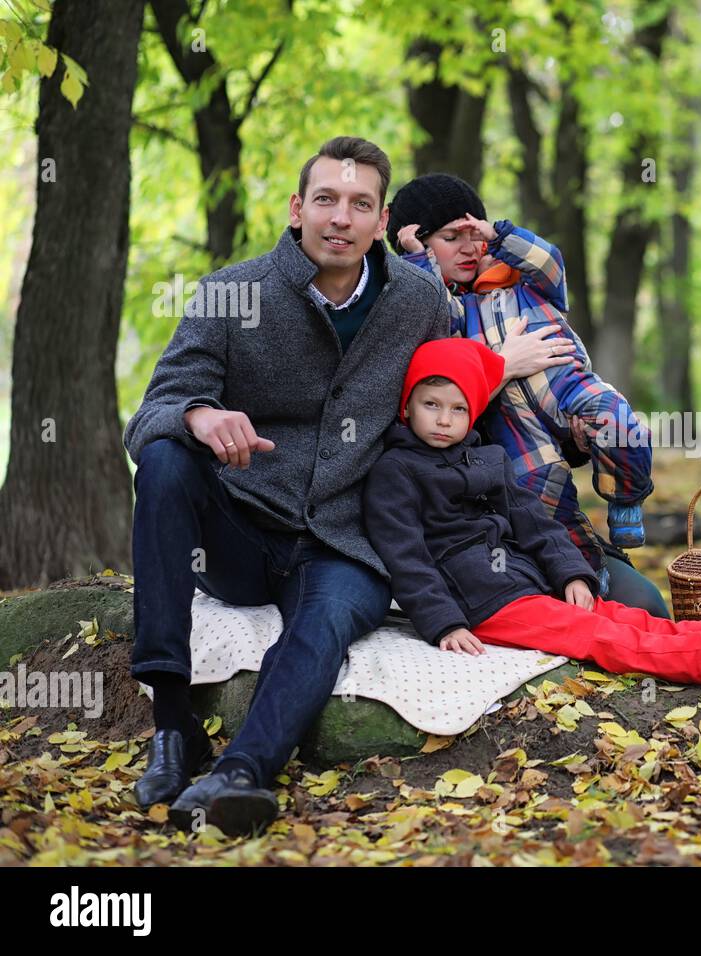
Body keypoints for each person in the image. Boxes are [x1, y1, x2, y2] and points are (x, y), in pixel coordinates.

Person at [122, 137, 578, 838]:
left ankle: (242, 772)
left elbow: (450, 405)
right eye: (326, 200)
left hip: (347, 540)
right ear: (299, 208)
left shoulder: (421, 300)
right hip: (241, 526)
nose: (341, 217)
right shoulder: (229, 291)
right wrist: (201, 414)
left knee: (324, 625)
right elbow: (152, 411)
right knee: (163, 458)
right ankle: (173, 726)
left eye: (359, 204)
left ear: (381, 218)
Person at [362, 338, 701, 693]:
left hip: (528, 581)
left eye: (457, 409)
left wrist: (571, 575)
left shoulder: (488, 458)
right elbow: (407, 559)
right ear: (407, 407)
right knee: (596, 635)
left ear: (473, 412)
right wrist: (444, 624)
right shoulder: (394, 472)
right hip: (480, 601)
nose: (443, 419)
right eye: (431, 404)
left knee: (620, 616)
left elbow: (535, 521)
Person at [385, 174, 670, 619]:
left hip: (561, 395)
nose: (467, 248)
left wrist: (499, 234)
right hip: (479, 511)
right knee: (541, 494)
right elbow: (438, 340)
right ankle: (580, 576)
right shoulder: (436, 316)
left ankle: (622, 507)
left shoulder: (521, 284)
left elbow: (548, 262)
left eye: (472, 234)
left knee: (619, 425)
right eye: (448, 237)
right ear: (414, 245)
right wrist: (503, 364)